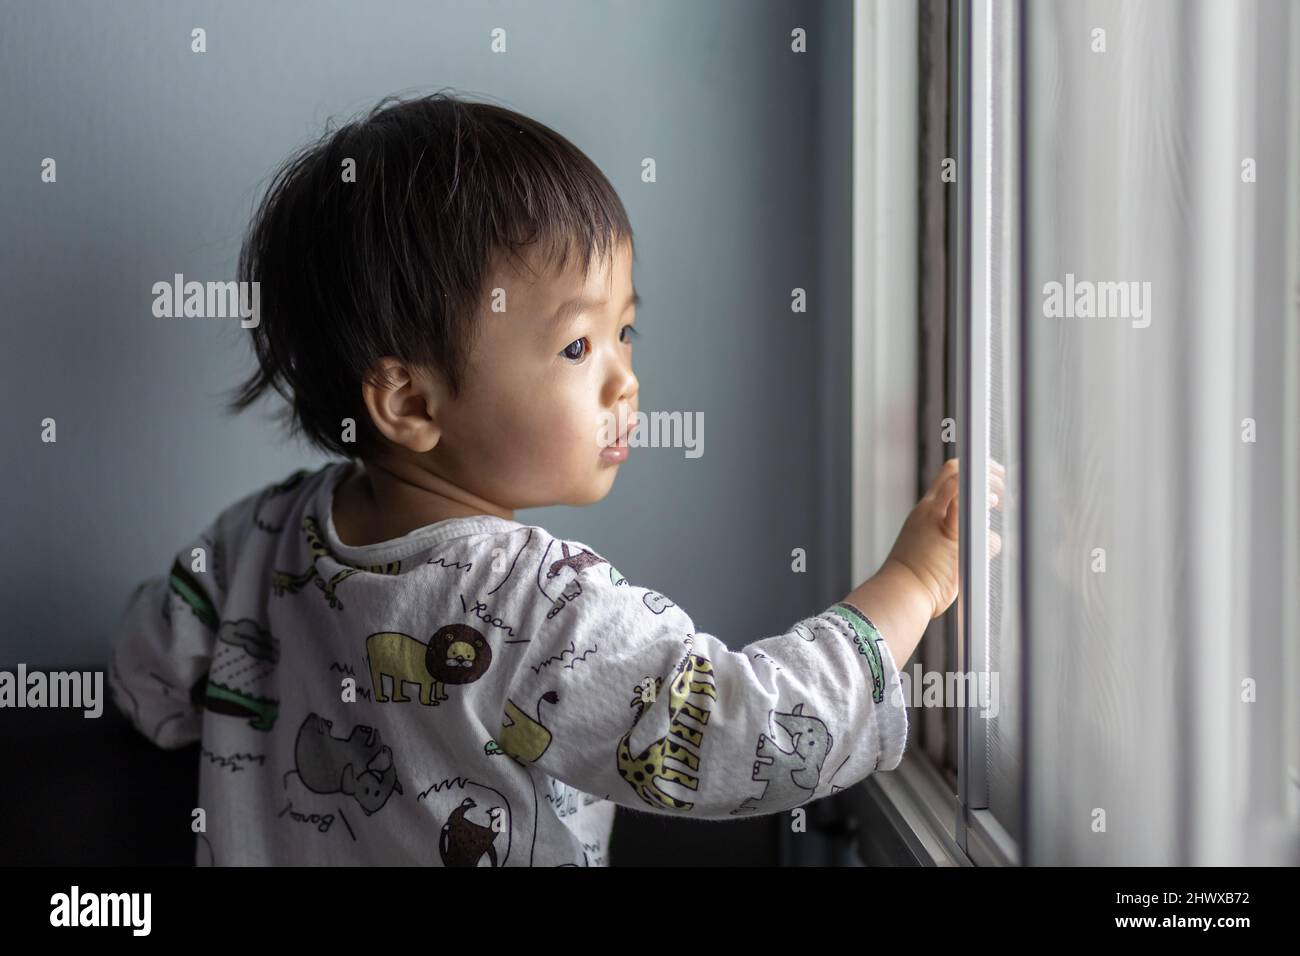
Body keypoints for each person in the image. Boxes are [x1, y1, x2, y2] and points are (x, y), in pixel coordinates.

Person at [108, 91, 1004, 866]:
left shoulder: (253, 539)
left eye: (626, 333)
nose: (625, 379)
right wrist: (915, 584)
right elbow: (749, 736)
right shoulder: (532, 604)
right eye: (579, 346)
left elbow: (146, 682)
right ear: (411, 402)